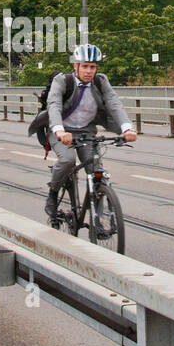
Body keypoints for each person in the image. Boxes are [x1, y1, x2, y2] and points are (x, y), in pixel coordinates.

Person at [43, 43, 138, 223]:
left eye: (92, 67)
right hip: (62, 131)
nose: (89, 71)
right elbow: (54, 105)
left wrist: (127, 128)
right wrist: (59, 130)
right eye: (85, 66)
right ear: (75, 66)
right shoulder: (63, 81)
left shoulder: (100, 81)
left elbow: (114, 103)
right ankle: (53, 192)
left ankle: (99, 220)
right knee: (67, 160)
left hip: (86, 132)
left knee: (97, 173)